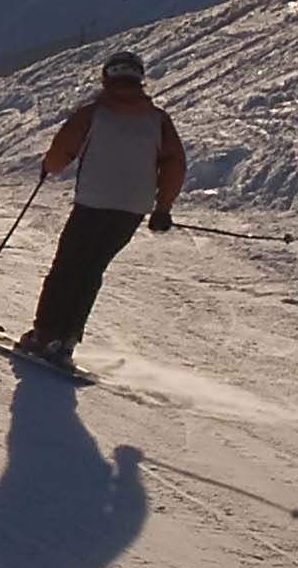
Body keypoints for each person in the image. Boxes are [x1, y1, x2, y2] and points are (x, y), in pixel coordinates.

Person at [13, 49, 185, 366]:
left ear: (107, 78)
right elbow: (174, 164)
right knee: (92, 270)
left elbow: (63, 149)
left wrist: (50, 167)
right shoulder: (158, 120)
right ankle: (67, 339)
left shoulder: (94, 113)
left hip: (93, 202)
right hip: (132, 208)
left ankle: (44, 334)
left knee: (67, 267)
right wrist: (162, 208)